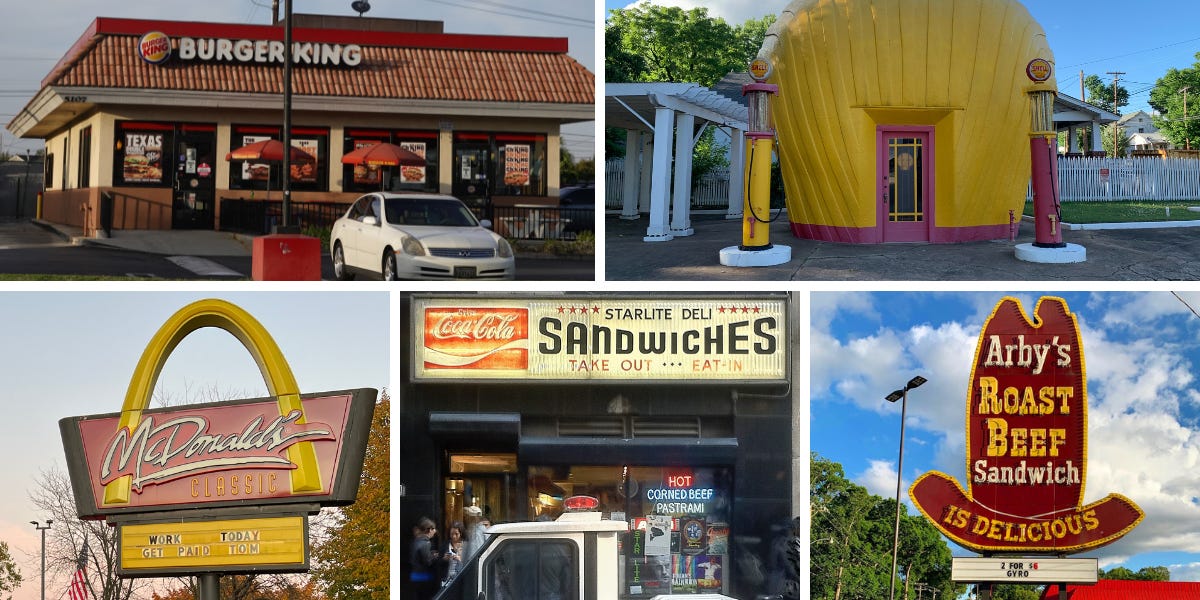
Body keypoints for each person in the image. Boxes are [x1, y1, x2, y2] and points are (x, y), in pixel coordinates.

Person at [409, 516, 440, 600]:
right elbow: (428, 561)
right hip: (424, 577)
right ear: (429, 530)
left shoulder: (416, 540)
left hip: (415, 575)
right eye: (433, 529)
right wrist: (435, 556)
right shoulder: (426, 543)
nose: (435, 531)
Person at [440, 522, 467, 586]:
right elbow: (438, 564)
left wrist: (461, 560)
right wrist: (444, 559)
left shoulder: (466, 546)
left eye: (456, 534)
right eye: (451, 534)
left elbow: (471, 562)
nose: (454, 536)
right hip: (446, 581)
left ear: (461, 533)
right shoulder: (444, 546)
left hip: (461, 581)